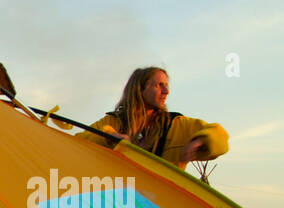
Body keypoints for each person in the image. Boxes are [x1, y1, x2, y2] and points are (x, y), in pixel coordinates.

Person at [76, 67, 228, 168]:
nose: (166, 91)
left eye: (167, 85)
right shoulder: (114, 121)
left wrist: (200, 140)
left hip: (163, 207)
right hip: (119, 202)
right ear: (140, 89)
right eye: (159, 85)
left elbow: (220, 135)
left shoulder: (176, 125)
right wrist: (109, 137)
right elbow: (78, 142)